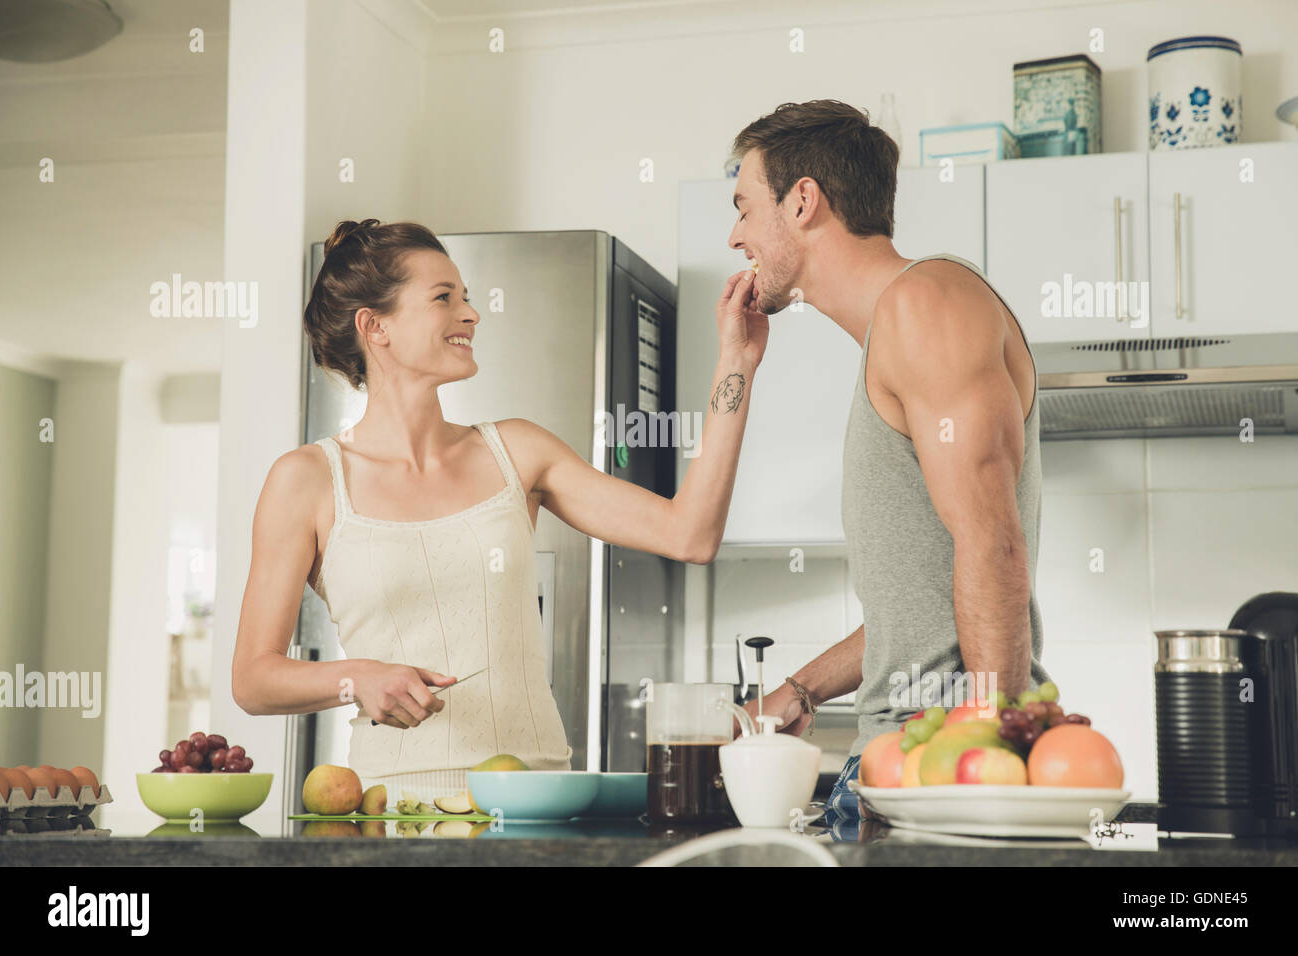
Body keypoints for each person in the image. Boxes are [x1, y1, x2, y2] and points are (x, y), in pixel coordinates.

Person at [231, 218, 768, 803]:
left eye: (467, 296)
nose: (471, 314)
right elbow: (253, 678)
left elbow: (691, 534)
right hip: (396, 810)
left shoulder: (517, 450)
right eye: (444, 298)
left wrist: (736, 361)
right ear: (374, 326)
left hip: (537, 801)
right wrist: (354, 677)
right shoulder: (307, 480)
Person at [725, 101, 1051, 822]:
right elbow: (926, 598)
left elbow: (992, 543)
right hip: (899, 765)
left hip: (935, 773)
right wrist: (802, 688)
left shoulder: (926, 304)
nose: (735, 235)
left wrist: (989, 760)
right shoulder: (901, 329)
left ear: (803, 200)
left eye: (745, 207)